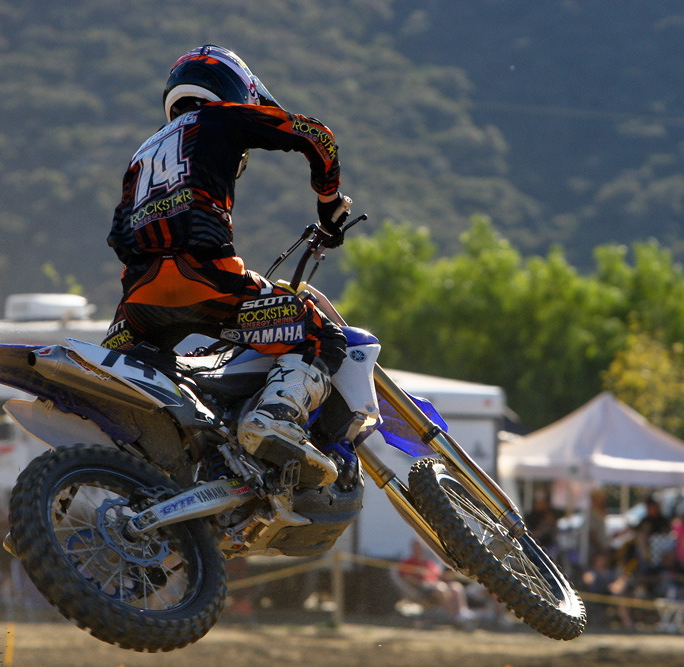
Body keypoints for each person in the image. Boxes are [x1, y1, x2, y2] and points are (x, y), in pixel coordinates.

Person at [103, 45, 353, 486]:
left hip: (137, 305)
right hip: (209, 283)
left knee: (133, 392)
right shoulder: (220, 119)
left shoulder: (140, 156)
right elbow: (317, 136)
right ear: (232, 91)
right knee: (323, 337)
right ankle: (273, 417)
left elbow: (120, 238)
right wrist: (329, 203)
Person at [396, 541, 472, 624]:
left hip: (436, 584)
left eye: (420, 548)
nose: (418, 550)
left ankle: (463, 613)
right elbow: (406, 578)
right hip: (422, 589)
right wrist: (421, 581)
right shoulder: (407, 563)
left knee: (455, 586)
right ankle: (455, 617)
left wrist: (449, 576)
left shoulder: (429, 563)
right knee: (440, 588)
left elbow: (439, 575)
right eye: (416, 547)